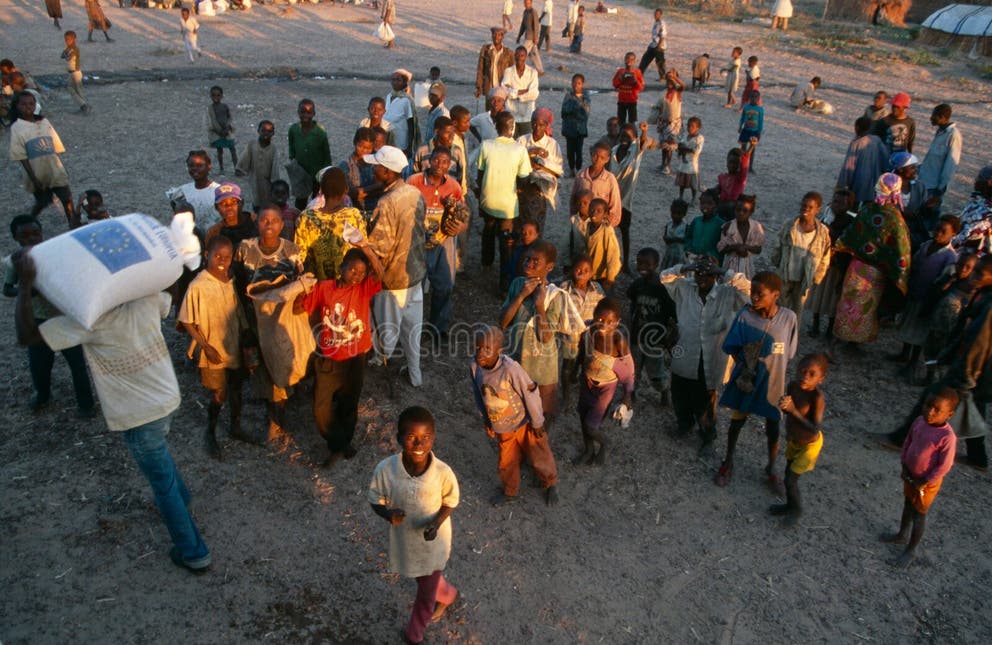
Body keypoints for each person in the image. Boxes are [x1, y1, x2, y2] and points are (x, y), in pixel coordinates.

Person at [12, 251, 211, 573]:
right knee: (160, 456)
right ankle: (184, 499)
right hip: (167, 400)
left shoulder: (87, 321)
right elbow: (170, 294)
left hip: (138, 414)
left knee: (161, 485)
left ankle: (194, 553)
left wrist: (24, 287)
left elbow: (27, 336)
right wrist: (164, 264)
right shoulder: (143, 300)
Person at [368, 406, 460, 643]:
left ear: (434, 438)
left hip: (434, 543)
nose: (419, 444)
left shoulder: (442, 472)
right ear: (398, 438)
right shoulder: (387, 469)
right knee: (421, 576)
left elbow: (450, 501)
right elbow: (374, 499)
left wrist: (437, 523)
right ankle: (447, 594)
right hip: (405, 540)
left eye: (426, 438)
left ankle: (414, 634)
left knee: (425, 593)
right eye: (411, 437)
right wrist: (387, 514)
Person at [297, 243, 383, 465]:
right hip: (329, 359)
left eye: (362, 273)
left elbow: (380, 272)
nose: (356, 276)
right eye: (353, 270)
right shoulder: (324, 288)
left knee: (349, 405)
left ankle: (339, 446)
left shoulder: (363, 289)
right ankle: (338, 441)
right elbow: (301, 307)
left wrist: (366, 248)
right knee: (320, 409)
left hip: (355, 360)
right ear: (341, 266)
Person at [3, 215, 94, 416]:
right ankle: (42, 395)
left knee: (77, 364)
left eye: (36, 233)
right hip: (37, 320)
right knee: (39, 365)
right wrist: (24, 291)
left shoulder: (54, 254)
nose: (32, 239)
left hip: (63, 316)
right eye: (24, 236)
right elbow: (7, 289)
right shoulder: (15, 262)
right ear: (15, 238)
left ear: (42, 232)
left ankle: (86, 403)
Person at [715, 271, 798, 489]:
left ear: (776, 295)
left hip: (773, 381)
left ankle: (771, 468)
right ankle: (728, 461)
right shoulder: (745, 316)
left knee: (773, 425)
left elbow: (788, 352)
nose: (754, 297)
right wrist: (747, 364)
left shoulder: (789, 318)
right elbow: (732, 346)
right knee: (737, 420)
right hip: (748, 379)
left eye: (760, 294)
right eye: (753, 292)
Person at [660, 255, 750, 452]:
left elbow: (748, 290)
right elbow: (664, 277)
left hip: (711, 358)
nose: (701, 278)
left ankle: (708, 435)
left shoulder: (728, 294)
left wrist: (724, 273)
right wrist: (686, 266)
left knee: (706, 401)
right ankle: (684, 425)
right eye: (698, 272)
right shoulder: (684, 288)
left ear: (716, 276)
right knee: (680, 392)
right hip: (685, 353)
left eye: (707, 274)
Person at [179, 235, 257, 460]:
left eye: (227, 257)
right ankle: (211, 432)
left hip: (234, 345)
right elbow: (186, 320)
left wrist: (245, 333)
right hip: (213, 349)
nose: (223, 261)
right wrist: (205, 346)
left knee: (236, 389)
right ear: (206, 256)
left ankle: (235, 427)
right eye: (217, 256)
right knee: (219, 393)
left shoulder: (230, 279)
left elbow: (237, 309)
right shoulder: (198, 285)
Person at [233, 206, 305, 435]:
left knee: (281, 360)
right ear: (257, 223)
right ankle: (270, 408)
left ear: (282, 225)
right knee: (260, 364)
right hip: (256, 319)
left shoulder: (293, 251)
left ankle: (280, 413)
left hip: (283, 320)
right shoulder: (245, 248)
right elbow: (237, 281)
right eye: (264, 220)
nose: (269, 224)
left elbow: (301, 284)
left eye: (275, 220)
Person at [500, 241, 584, 432]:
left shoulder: (556, 296)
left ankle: (538, 448)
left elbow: (545, 337)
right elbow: (503, 322)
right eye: (527, 259)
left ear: (549, 267)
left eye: (535, 261)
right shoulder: (517, 285)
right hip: (517, 360)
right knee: (516, 411)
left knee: (543, 416)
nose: (529, 264)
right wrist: (521, 296)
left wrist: (539, 306)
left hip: (543, 368)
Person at [470, 326, 559, 505]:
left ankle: (550, 484)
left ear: (499, 351)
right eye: (477, 348)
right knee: (506, 461)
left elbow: (530, 393)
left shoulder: (510, 368)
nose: (481, 353)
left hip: (524, 422)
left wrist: (537, 421)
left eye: (487, 349)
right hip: (502, 426)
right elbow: (479, 395)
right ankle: (510, 490)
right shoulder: (475, 368)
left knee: (539, 455)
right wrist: (487, 421)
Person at [365, 146, 427, 387]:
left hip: (393, 279)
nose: (373, 170)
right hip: (416, 273)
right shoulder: (414, 192)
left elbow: (379, 247)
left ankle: (381, 364)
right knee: (413, 330)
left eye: (377, 167)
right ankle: (415, 374)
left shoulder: (386, 202)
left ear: (388, 172)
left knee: (387, 330)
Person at [880, 387, 958, 568]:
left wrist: (925, 481)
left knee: (919, 514)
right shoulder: (919, 421)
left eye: (937, 409)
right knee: (908, 503)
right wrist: (904, 465)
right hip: (910, 475)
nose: (930, 411)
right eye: (928, 405)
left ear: (950, 414)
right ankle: (901, 534)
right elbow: (908, 442)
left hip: (926, 483)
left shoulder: (947, 437)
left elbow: (944, 465)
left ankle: (911, 550)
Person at [832, 174, 912, 346]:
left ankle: (839, 338)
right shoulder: (896, 220)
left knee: (849, 303)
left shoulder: (868, 210)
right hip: (876, 273)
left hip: (856, 267)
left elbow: (851, 235)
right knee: (866, 307)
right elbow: (901, 251)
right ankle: (856, 340)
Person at [407, 147, 469, 341]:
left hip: (443, 241)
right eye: (436, 160)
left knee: (444, 285)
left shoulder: (453, 186)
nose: (439, 166)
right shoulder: (414, 182)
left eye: (444, 162)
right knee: (411, 286)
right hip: (416, 241)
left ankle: (437, 327)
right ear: (429, 160)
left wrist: (459, 227)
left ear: (449, 164)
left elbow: (464, 214)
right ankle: (409, 328)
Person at [892, 215, 959, 373]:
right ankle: (904, 353)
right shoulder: (926, 245)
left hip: (927, 298)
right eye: (937, 229)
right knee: (909, 323)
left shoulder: (950, 257)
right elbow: (914, 263)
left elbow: (945, 281)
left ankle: (913, 362)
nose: (938, 233)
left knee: (920, 331)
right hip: (915, 292)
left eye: (944, 232)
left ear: (953, 234)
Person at [574, 298, 635, 465]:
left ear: (617, 322)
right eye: (600, 320)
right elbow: (581, 354)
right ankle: (588, 450)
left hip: (606, 387)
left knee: (591, 426)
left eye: (610, 322)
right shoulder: (587, 333)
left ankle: (604, 444)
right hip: (586, 381)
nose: (603, 325)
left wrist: (627, 395)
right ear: (593, 316)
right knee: (583, 416)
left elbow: (628, 369)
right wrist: (574, 371)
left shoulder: (618, 340)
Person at [769, 353, 827, 526]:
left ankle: (797, 510)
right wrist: (785, 407)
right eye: (802, 371)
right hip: (794, 440)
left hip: (809, 445)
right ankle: (789, 505)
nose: (805, 377)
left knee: (790, 479)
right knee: (788, 474)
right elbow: (789, 411)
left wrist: (793, 410)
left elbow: (815, 428)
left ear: (821, 379)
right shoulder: (793, 386)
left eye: (811, 374)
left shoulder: (816, 397)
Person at [477, 111, 531, 294]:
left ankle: (486, 262)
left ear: (496, 127)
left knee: (488, 228)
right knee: (506, 242)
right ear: (513, 127)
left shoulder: (486, 145)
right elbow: (524, 178)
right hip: (507, 204)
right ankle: (504, 284)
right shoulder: (519, 149)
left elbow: (480, 173)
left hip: (488, 199)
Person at [8, 91, 79, 227]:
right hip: (36, 171)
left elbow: (54, 146)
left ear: (36, 104)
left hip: (54, 168)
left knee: (66, 197)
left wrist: (60, 167)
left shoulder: (44, 121)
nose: (28, 107)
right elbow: (21, 157)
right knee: (43, 200)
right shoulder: (17, 127)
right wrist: (34, 178)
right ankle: (29, 221)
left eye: (31, 103)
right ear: (17, 106)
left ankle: (72, 224)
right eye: (23, 104)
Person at [771, 192, 832, 324]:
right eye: (804, 205)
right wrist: (777, 261)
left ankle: (791, 336)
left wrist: (817, 277)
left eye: (810, 207)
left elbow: (825, 257)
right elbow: (778, 245)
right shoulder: (789, 226)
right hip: (786, 273)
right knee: (780, 306)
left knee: (797, 310)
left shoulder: (822, 232)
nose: (806, 209)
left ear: (818, 209)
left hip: (805, 278)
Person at [627, 248, 677, 406]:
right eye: (639, 263)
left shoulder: (663, 289)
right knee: (634, 368)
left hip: (655, 339)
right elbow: (632, 300)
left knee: (655, 370)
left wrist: (669, 337)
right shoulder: (637, 285)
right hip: (637, 334)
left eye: (647, 264)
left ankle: (664, 391)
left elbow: (672, 315)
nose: (642, 267)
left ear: (655, 265)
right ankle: (631, 393)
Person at [807, 189, 857, 338]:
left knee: (833, 299)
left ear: (848, 206)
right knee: (818, 295)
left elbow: (847, 244)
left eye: (841, 203)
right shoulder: (827, 217)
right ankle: (815, 325)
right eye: (835, 201)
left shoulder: (850, 222)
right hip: (823, 263)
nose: (836, 205)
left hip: (838, 266)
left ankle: (829, 329)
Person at [560, 255, 605, 403]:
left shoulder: (596, 289)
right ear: (572, 270)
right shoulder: (565, 288)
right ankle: (565, 393)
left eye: (586, 270)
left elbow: (602, 306)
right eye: (578, 269)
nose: (581, 273)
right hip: (570, 335)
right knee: (568, 363)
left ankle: (578, 382)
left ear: (591, 273)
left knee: (584, 360)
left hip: (589, 334)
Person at [610, 122, 656, 269]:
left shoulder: (636, 151)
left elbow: (644, 142)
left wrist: (644, 131)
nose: (624, 138)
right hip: (611, 198)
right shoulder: (613, 151)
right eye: (622, 135)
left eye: (628, 137)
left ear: (634, 139)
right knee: (609, 231)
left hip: (625, 200)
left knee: (624, 232)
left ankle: (626, 264)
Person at [517, 108, 563, 230]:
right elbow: (514, 163)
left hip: (540, 191)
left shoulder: (553, 144)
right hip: (522, 189)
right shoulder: (522, 140)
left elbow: (558, 171)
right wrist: (530, 153)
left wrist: (541, 166)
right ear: (531, 123)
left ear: (547, 125)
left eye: (541, 125)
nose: (537, 128)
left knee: (536, 224)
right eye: (534, 124)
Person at [287, 99, 332, 210]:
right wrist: (294, 163)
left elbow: (326, 153)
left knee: (316, 201)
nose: (305, 115)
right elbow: (291, 148)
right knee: (300, 201)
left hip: (317, 173)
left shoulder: (320, 132)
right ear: (298, 112)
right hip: (300, 172)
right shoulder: (293, 130)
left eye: (309, 112)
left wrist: (325, 173)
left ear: (314, 113)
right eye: (302, 111)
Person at [917, 104, 962, 211]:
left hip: (934, 187)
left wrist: (941, 189)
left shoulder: (953, 135)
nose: (931, 118)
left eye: (934, 116)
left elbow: (950, 165)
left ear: (942, 117)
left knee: (928, 219)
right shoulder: (941, 132)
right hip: (925, 182)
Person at [837, 116, 888, 204]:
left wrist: (841, 186)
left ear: (857, 128)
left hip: (860, 184)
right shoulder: (877, 140)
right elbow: (886, 159)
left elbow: (848, 167)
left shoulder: (856, 144)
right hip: (876, 183)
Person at [570, 142, 622, 228]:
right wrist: (574, 219)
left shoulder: (610, 179)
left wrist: (606, 226)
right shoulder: (581, 175)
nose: (598, 160)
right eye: (595, 156)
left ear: (607, 159)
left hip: (601, 225)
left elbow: (615, 206)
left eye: (602, 158)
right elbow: (573, 200)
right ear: (591, 154)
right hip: (581, 223)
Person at [575, 198, 622, 290]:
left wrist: (610, 278)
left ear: (605, 214)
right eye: (592, 210)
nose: (594, 213)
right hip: (589, 272)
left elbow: (613, 256)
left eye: (599, 211)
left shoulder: (607, 231)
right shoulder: (588, 226)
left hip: (601, 275)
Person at [171, 150, 220, 232]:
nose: (194, 169)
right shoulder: (183, 192)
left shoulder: (218, 191)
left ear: (209, 166)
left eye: (199, 165)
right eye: (191, 165)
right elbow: (174, 205)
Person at [235, 120, 279, 211]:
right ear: (258, 131)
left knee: (268, 203)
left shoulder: (273, 149)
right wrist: (240, 168)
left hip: (268, 182)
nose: (266, 133)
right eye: (263, 130)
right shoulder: (252, 145)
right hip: (255, 179)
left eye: (269, 131)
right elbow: (245, 157)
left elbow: (275, 167)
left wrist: (275, 182)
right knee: (256, 202)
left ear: (273, 133)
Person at [718, 195, 764, 279]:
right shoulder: (728, 226)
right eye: (738, 210)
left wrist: (746, 247)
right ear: (734, 210)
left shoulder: (756, 227)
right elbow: (721, 249)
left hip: (747, 265)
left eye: (745, 211)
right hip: (730, 265)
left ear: (751, 212)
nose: (741, 213)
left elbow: (758, 249)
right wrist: (735, 247)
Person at [204, 183, 257, 250]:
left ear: (242, 203)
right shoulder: (214, 233)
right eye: (223, 203)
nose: (229, 207)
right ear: (216, 207)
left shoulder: (257, 222)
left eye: (234, 202)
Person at [501, 46, 540, 137]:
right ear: (514, 56)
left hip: (527, 115)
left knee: (525, 143)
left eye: (522, 55)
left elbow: (534, 94)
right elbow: (504, 90)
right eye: (517, 55)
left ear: (526, 57)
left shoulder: (532, 72)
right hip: (511, 114)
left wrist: (516, 95)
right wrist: (519, 91)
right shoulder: (508, 71)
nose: (519, 57)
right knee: (511, 143)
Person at [954, 164, 992, 255]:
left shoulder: (984, 213)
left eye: (979, 178)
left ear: (989, 182)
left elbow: (961, 238)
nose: (976, 181)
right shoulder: (979, 200)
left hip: (972, 260)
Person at [652, 69, 685, 175]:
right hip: (664, 122)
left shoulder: (678, 93)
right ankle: (663, 164)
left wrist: (674, 77)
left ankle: (667, 166)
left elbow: (684, 86)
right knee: (664, 145)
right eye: (668, 81)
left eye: (672, 82)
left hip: (674, 124)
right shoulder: (665, 94)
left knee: (670, 146)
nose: (669, 83)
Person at [476, 27, 515, 110]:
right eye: (494, 34)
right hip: (489, 87)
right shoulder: (485, 50)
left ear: (502, 37)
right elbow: (480, 68)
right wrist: (479, 86)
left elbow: (512, 71)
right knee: (489, 111)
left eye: (498, 35)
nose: (496, 37)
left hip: (502, 88)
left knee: (501, 112)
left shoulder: (508, 53)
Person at [561, 73, 591, 177]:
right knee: (570, 151)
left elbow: (586, 113)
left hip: (580, 129)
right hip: (569, 128)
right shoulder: (568, 95)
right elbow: (563, 112)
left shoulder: (586, 97)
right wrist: (577, 109)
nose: (576, 85)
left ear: (582, 84)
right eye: (574, 82)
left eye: (578, 83)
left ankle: (578, 169)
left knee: (579, 151)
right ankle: (571, 169)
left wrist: (573, 110)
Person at [715, 144, 755, 221]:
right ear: (727, 162)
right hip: (721, 207)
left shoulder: (740, 178)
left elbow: (745, 164)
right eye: (731, 162)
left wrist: (751, 146)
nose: (733, 165)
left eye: (737, 163)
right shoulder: (722, 177)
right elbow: (719, 188)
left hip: (733, 209)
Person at [385, 70, 418, 158]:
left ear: (404, 82)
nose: (395, 82)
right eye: (393, 79)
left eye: (398, 80)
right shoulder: (389, 96)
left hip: (401, 142)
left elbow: (411, 124)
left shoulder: (407, 100)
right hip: (387, 140)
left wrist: (409, 146)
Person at [685, 190, 723, 260]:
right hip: (693, 258)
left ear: (716, 205)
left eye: (709, 203)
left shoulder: (721, 224)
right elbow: (688, 237)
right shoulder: (696, 221)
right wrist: (689, 249)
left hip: (711, 261)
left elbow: (722, 245)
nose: (705, 206)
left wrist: (710, 255)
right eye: (702, 203)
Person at [674, 116, 704, 202]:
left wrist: (684, 149)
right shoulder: (685, 136)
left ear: (698, 128)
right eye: (688, 126)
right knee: (682, 183)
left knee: (693, 184)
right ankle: (681, 196)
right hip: (683, 164)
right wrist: (684, 149)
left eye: (692, 126)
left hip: (692, 165)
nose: (689, 128)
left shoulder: (699, 138)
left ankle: (694, 198)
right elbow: (679, 145)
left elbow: (697, 151)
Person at [612, 52, 645, 125]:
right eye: (627, 59)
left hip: (632, 100)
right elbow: (614, 84)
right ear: (624, 59)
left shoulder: (637, 72)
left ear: (634, 61)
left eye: (631, 59)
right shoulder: (620, 71)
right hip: (621, 100)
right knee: (621, 120)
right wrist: (620, 78)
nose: (628, 61)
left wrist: (635, 81)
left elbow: (641, 87)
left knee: (632, 121)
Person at [61, 31, 89, 113]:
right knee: (71, 89)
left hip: (76, 72)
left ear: (74, 39)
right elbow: (62, 56)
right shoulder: (68, 48)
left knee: (78, 90)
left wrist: (66, 52)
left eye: (69, 39)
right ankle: (83, 105)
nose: (67, 41)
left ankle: (84, 106)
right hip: (71, 72)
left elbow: (68, 57)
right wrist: (66, 51)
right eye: (66, 39)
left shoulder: (75, 49)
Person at [515, 0, 544, 75]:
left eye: (528, 3)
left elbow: (536, 25)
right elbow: (523, 25)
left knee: (522, 53)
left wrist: (536, 37)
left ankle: (517, 68)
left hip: (531, 37)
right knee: (534, 54)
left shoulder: (533, 12)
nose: (526, 4)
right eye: (525, 3)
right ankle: (540, 70)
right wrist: (519, 36)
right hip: (527, 36)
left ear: (531, 3)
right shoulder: (525, 12)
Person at [638, 9, 667, 80]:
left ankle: (662, 77)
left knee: (660, 62)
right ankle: (639, 74)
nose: (655, 15)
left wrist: (659, 46)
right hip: (653, 44)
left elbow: (663, 36)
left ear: (660, 15)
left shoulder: (661, 23)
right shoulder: (656, 23)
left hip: (659, 46)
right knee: (645, 59)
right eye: (655, 14)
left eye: (657, 14)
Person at [738, 91, 763, 171]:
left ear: (758, 99)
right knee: (743, 148)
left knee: (752, 149)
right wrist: (740, 127)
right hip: (745, 130)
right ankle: (742, 164)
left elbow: (760, 121)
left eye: (755, 97)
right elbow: (742, 118)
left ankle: (750, 166)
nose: (753, 99)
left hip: (754, 131)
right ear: (749, 98)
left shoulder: (760, 109)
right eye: (752, 96)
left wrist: (759, 131)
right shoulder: (746, 107)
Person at [662, 200, 688, 269]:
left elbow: (687, 240)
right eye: (673, 213)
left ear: (684, 214)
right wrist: (665, 238)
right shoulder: (669, 224)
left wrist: (675, 239)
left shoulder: (685, 226)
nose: (675, 216)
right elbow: (665, 235)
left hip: (679, 255)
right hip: (669, 253)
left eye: (679, 214)